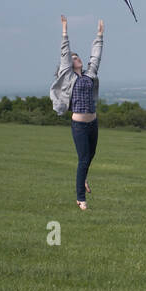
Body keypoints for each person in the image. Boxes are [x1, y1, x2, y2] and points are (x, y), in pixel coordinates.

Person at [49, 15, 104, 210]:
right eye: (74, 58)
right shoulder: (68, 76)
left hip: (93, 123)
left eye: (77, 57)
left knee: (91, 155)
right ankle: (81, 198)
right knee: (83, 159)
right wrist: (64, 30)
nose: (77, 59)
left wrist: (99, 35)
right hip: (79, 125)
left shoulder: (89, 75)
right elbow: (65, 53)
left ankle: (83, 179)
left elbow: (95, 57)